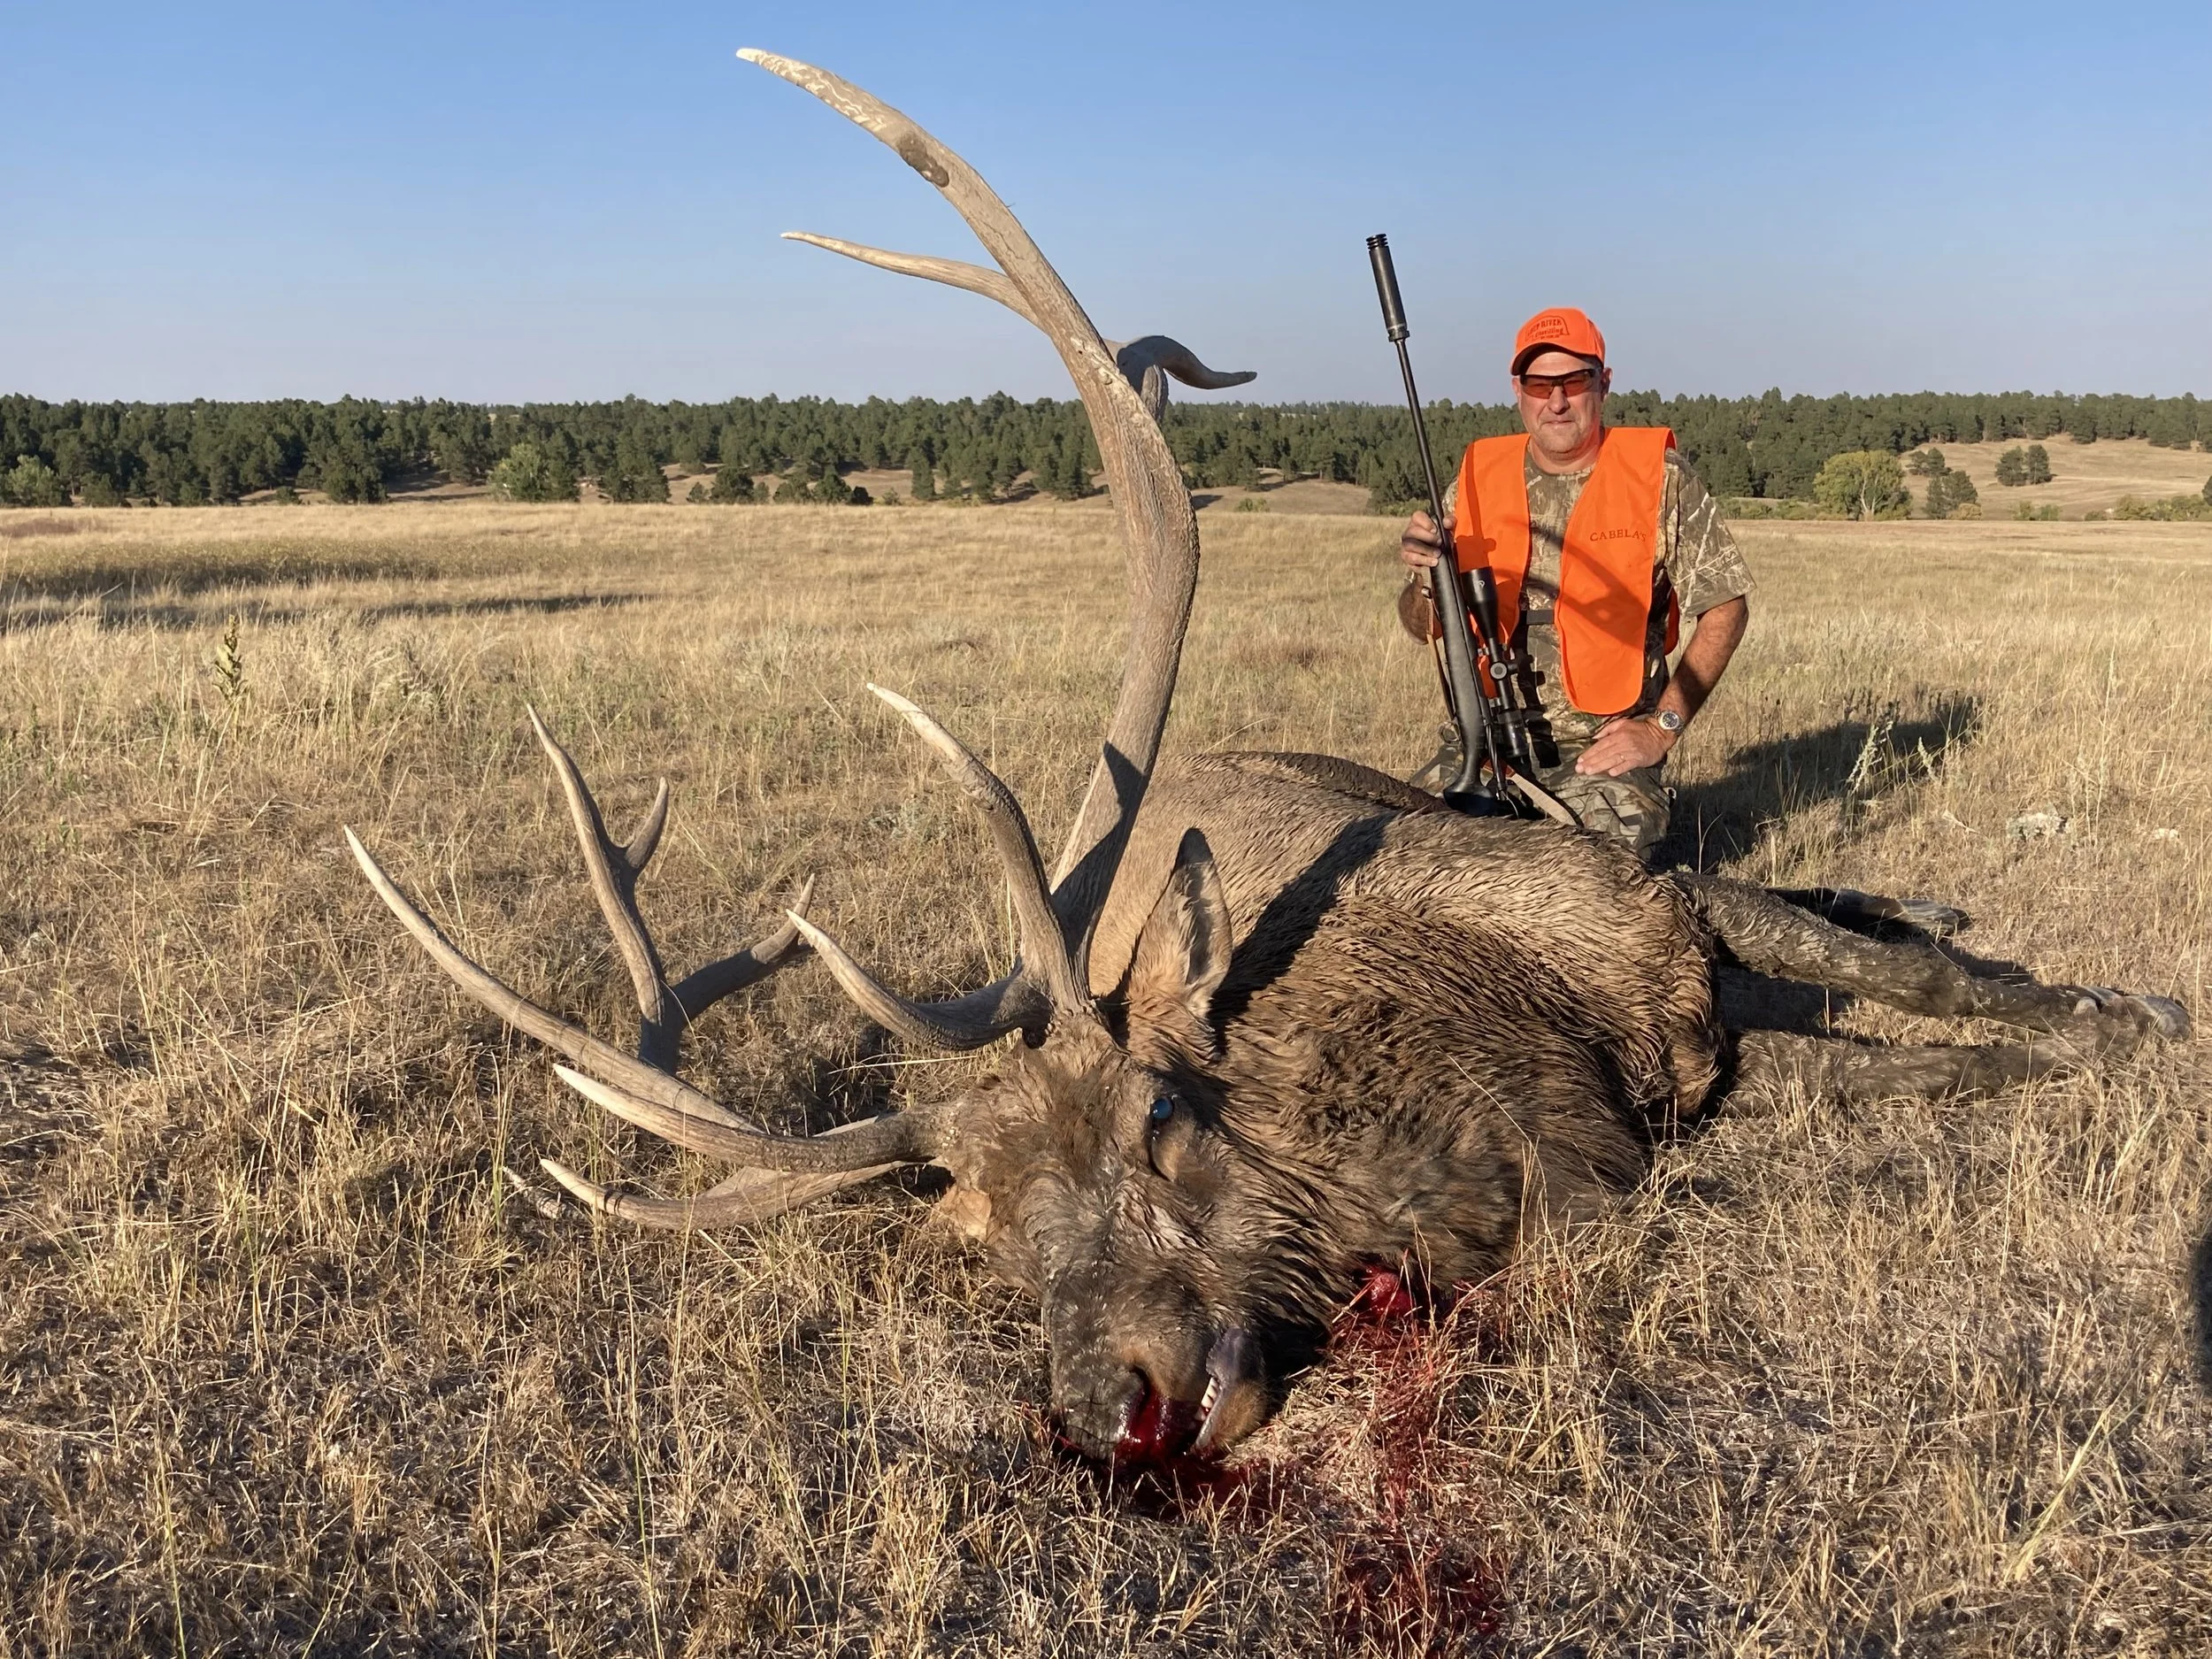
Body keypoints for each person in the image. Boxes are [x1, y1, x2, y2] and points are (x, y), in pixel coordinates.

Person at [1398, 306, 1751, 859]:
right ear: (1518, 391)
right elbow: (1422, 626)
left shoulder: (1659, 477)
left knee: (1587, 882)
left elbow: (1726, 607)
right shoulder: (1475, 479)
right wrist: (1427, 580)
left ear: (1603, 384)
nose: (1556, 401)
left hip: (1599, 754)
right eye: (1540, 385)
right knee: (1397, 858)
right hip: (1485, 746)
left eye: (1575, 381)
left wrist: (1661, 728)